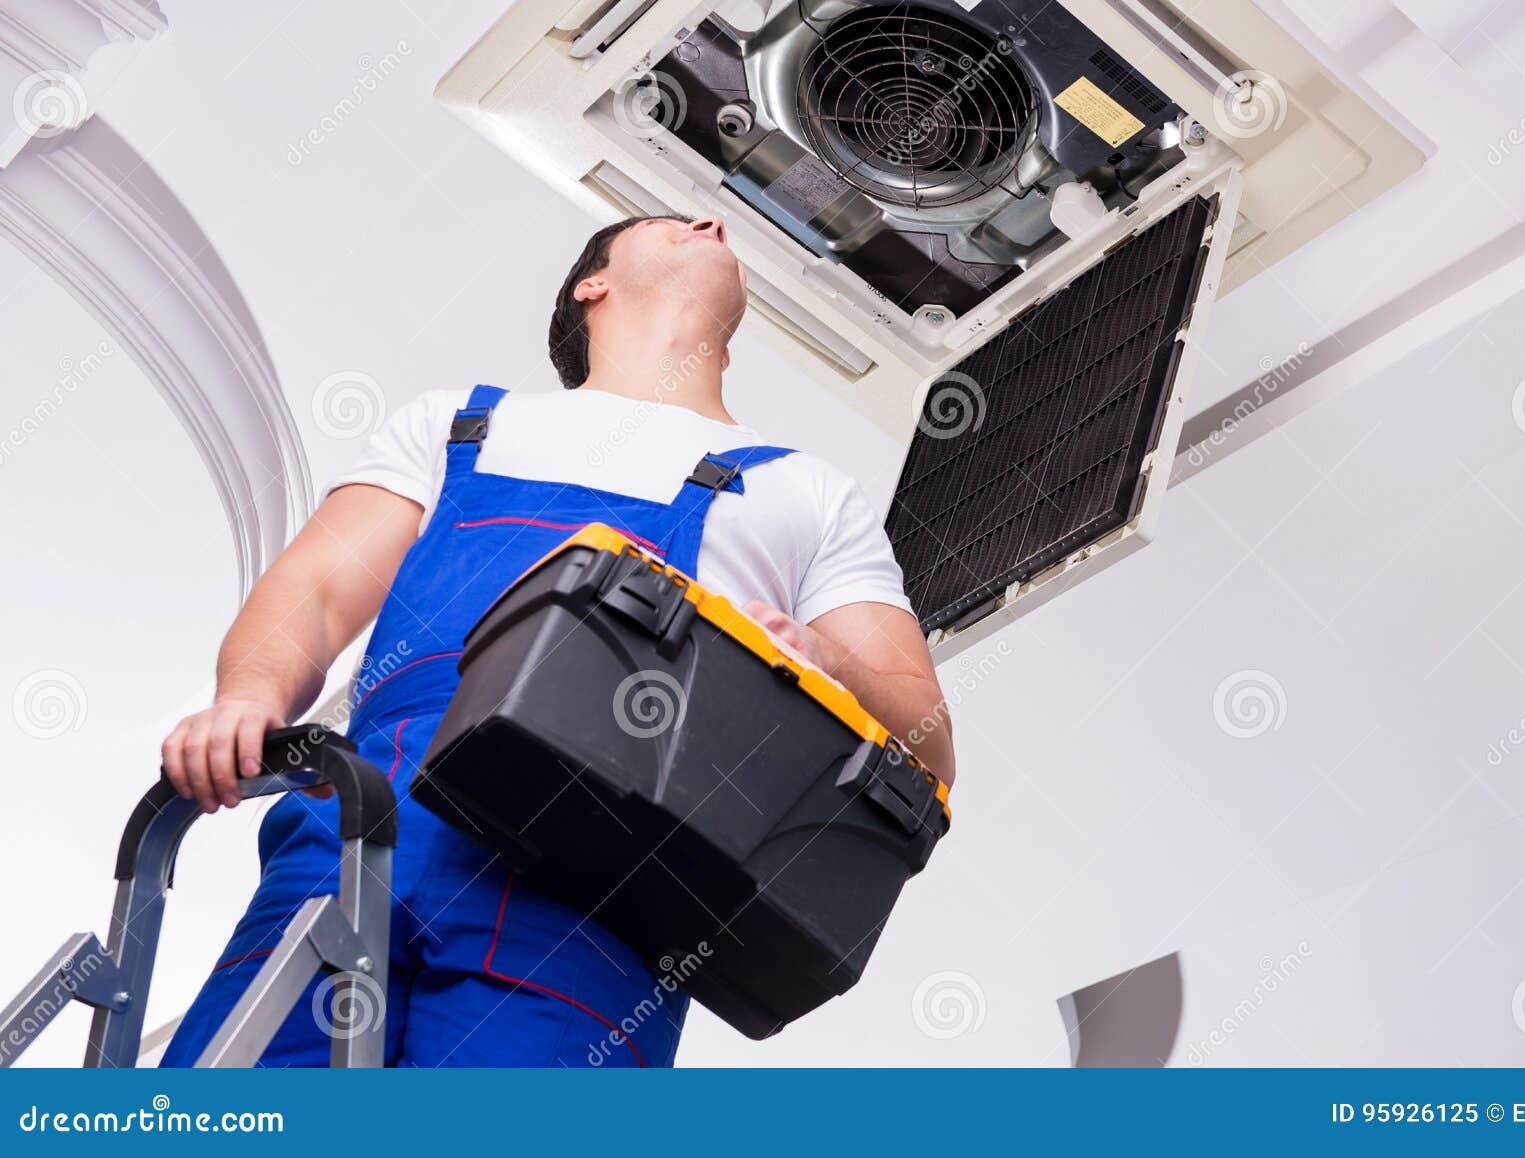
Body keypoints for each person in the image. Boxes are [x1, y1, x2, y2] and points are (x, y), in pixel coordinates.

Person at [157, 214, 954, 1067]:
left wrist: (824, 661)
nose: (713, 218)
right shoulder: (460, 425)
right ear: (592, 285)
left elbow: (929, 743)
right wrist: (248, 695)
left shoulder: (806, 490)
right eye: (670, 221)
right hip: (368, 826)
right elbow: (315, 588)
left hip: (608, 891)